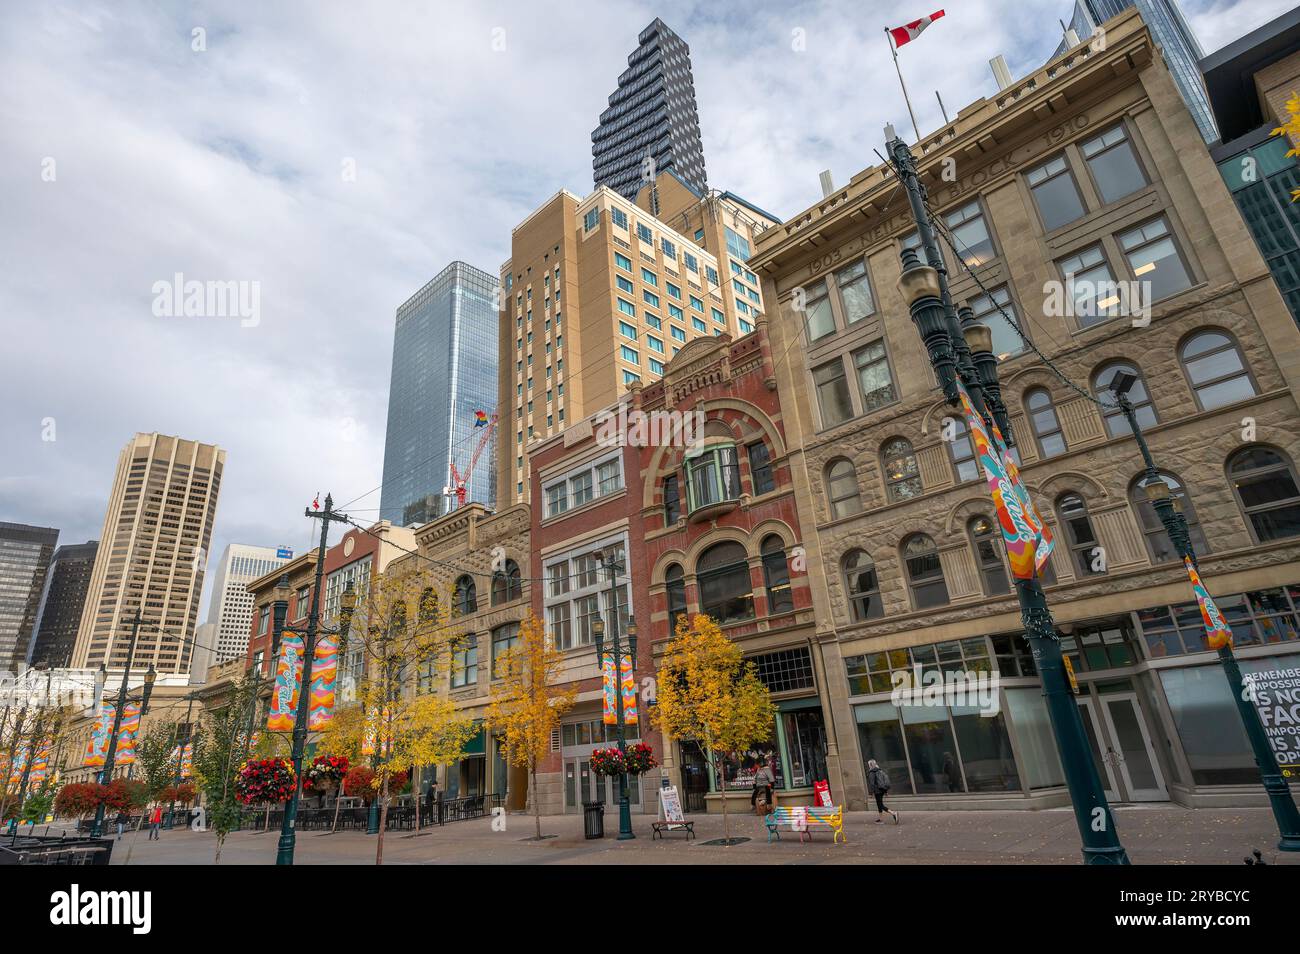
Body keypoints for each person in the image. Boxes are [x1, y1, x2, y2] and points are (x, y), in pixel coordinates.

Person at [866, 759, 899, 824]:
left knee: (880, 805)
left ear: (870, 765)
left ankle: (893, 813)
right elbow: (883, 781)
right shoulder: (879, 770)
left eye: (869, 764)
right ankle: (881, 819)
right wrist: (885, 791)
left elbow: (872, 783)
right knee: (879, 804)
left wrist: (871, 793)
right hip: (882, 790)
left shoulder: (872, 772)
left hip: (877, 791)